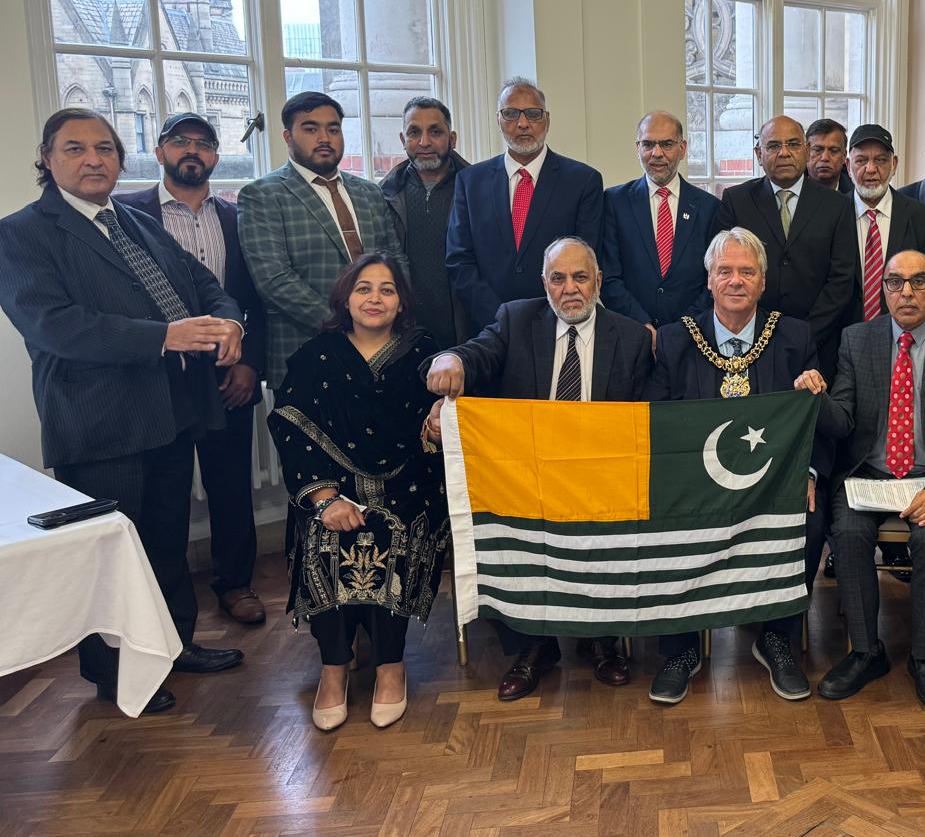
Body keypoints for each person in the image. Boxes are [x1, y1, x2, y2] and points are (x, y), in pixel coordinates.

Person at [0, 109, 246, 715]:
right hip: (100, 421)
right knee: (108, 556)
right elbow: (57, 327)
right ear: (48, 158)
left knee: (166, 541)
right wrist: (166, 336)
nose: (94, 159)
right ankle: (113, 673)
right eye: (76, 148)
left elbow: (203, 283)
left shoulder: (137, 222)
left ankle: (174, 645)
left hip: (170, 411)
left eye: (106, 148)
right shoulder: (20, 234)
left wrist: (230, 319)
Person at [425, 237, 653, 696]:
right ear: (544, 284)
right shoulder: (516, 319)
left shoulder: (630, 337)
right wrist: (451, 358)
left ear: (598, 281)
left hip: (600, 475)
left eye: (580, 277)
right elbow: (477, 354)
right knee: (507, 525)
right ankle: (535, 644)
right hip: (528, 475)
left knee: (609, 522)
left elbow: (649, 415)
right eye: (558, 278)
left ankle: (602, 640)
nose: (570, 289)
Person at [645, 228, 848, 705]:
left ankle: (775, 636)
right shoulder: (676, 340)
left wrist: (810, 473)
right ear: (710, 280)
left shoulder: (794, 336)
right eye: (725, 271)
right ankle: (681, 648)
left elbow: (819, 425)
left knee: (811, 514)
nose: (736, 281)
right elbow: (655, 423)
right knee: (666, 521)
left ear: (762, 282)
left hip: (774, 484)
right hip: (695, 487)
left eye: (747, 272)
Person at [268, 254, 447, 730]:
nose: (374, 298)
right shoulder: (317, 355)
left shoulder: (424, 352)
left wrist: (436, 426)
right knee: (328, 536)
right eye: (363, 288)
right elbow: (290, 426)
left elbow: (443, 420)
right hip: (332, 489)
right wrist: (324, 499)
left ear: (401, 301)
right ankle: (332, 669)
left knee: (396, 532)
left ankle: (391, 666)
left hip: (409, 485)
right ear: (345, 298)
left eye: (387, 289)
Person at [818, 250, 925, 709]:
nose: (907, 292)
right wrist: (815, 398)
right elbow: (842, 419)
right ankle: (865, 652)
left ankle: (923, 658)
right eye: (895, 283)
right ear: (884, 289)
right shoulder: (857, 340)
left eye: (918, 282)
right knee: (850, 536)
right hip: (868, 474)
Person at [117, 112, 269, 626]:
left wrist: (249, 363)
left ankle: (235, 583)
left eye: (203, 144)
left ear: (215, 158)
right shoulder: (125, 215)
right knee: (164, 494)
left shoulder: (238, 216)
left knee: (231, 483)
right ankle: (165, 598)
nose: (192, 151)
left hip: (228, 372)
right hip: (159, 376)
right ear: (159, 152)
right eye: (180, 142)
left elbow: (252, 299)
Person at [238, 91, 404, 388]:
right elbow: (274, 280)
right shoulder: (263, 195)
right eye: (311, 129)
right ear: (288, 137)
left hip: (382, 350)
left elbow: (395, 259)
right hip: (305, 354)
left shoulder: (369, 192)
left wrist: (390, 319)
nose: (324, 137)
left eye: (333, 129)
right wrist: (348, 325)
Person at [446, 77, 604, 334]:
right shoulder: (470, 181)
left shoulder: (583, 181)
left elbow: (585, 258)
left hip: (558, 326)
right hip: (488, 327)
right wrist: (499, 317)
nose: (522, 123)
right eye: (510, 114)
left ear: (547, 120)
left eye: (533, 114)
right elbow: (459, 259)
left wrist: (546, 315)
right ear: (498, 120)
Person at [715, 115, 856, 379]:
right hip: (749, 343)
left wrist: (805, 333)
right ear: (759, 153)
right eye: (773, 146)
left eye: (792, 144)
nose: (784, 153)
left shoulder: (836, 205)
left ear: (805, 149)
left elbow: (841, 279)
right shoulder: (736, 200)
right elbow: (722, 269)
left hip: (818, 342)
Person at [599, 111, 719, 331]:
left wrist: (684, 328)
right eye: (648, 144)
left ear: (682, 149)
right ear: (638, 148)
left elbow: (713, 280)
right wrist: (641, 324)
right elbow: (608, 277)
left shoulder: (708, 207)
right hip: (631, 332)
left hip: (692, 336)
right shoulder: (614, 202)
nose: (657, 153)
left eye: (666, 144)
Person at [380, 95, 470, 347]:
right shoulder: (384, 194)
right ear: (403, 140)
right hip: (403, 331)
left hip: (467, 328)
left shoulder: (478, 188)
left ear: (452, 138)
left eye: (435, 131)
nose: (424, 142)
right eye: (414, 132)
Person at [843, 124, 925, 324]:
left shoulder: (923, 219)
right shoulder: (833, 213)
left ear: (894, 164)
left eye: (880, 160)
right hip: (842, 339)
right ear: (848, 166)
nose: (871, 169)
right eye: (861, 160)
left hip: (905, 338)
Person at [805, 118, 853, 195]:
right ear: (806, 152)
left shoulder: (856, 195)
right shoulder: (791, 188)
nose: (825, 158)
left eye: (834, 151)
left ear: (844, 155)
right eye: (818, 150)